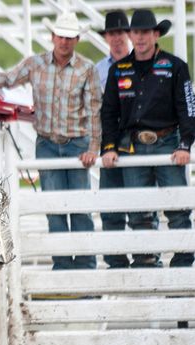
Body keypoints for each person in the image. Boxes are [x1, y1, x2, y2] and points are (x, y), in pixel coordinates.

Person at [0, 12, 101, 270]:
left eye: (69, 37)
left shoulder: (86, 69)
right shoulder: (36, 63)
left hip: (77, 143)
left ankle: (86, 264)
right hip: (47, 142)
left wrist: (93, 147)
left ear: (76, 39)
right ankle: (63, 264)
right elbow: (10, 78)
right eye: (61, 36)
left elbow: (93, 110)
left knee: (79, 205)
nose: (64, 42)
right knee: (53, 205)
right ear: (53, 37)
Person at [100, 9, 194, 268]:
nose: (140, 38)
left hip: (168, 143)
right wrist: (109, 147)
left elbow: (188, 109)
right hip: (133, 145)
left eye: (145, 32)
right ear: (130, 35)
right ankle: (146, 259)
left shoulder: (176, 67)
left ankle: (184, 260)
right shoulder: (118, 70)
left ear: (155, 34)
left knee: (176, 207)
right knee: (138, 208)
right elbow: (108, 113)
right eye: (136, 32)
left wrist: (185, 144)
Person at [95, 11, 132, 269]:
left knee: (141, 200)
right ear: (107, 37)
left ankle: (145, 256)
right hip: (109, 140)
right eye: (112, 33)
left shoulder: (141, 64)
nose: (116, 38)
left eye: (120, 32)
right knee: (110, 201)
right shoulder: (97, 70)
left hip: (135, 139)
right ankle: (116, 257)